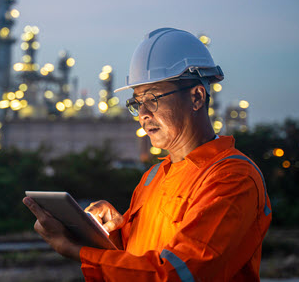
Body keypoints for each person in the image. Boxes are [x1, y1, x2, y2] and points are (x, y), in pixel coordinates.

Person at [23, 28, 272, 281]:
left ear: (196, 97)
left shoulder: (232, 178)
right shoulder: (154, 177)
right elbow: (136, 261)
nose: (143, 114)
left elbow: (176, 274)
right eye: (136, 102)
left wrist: (76, 250)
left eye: (152, 98)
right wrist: (105, 233)